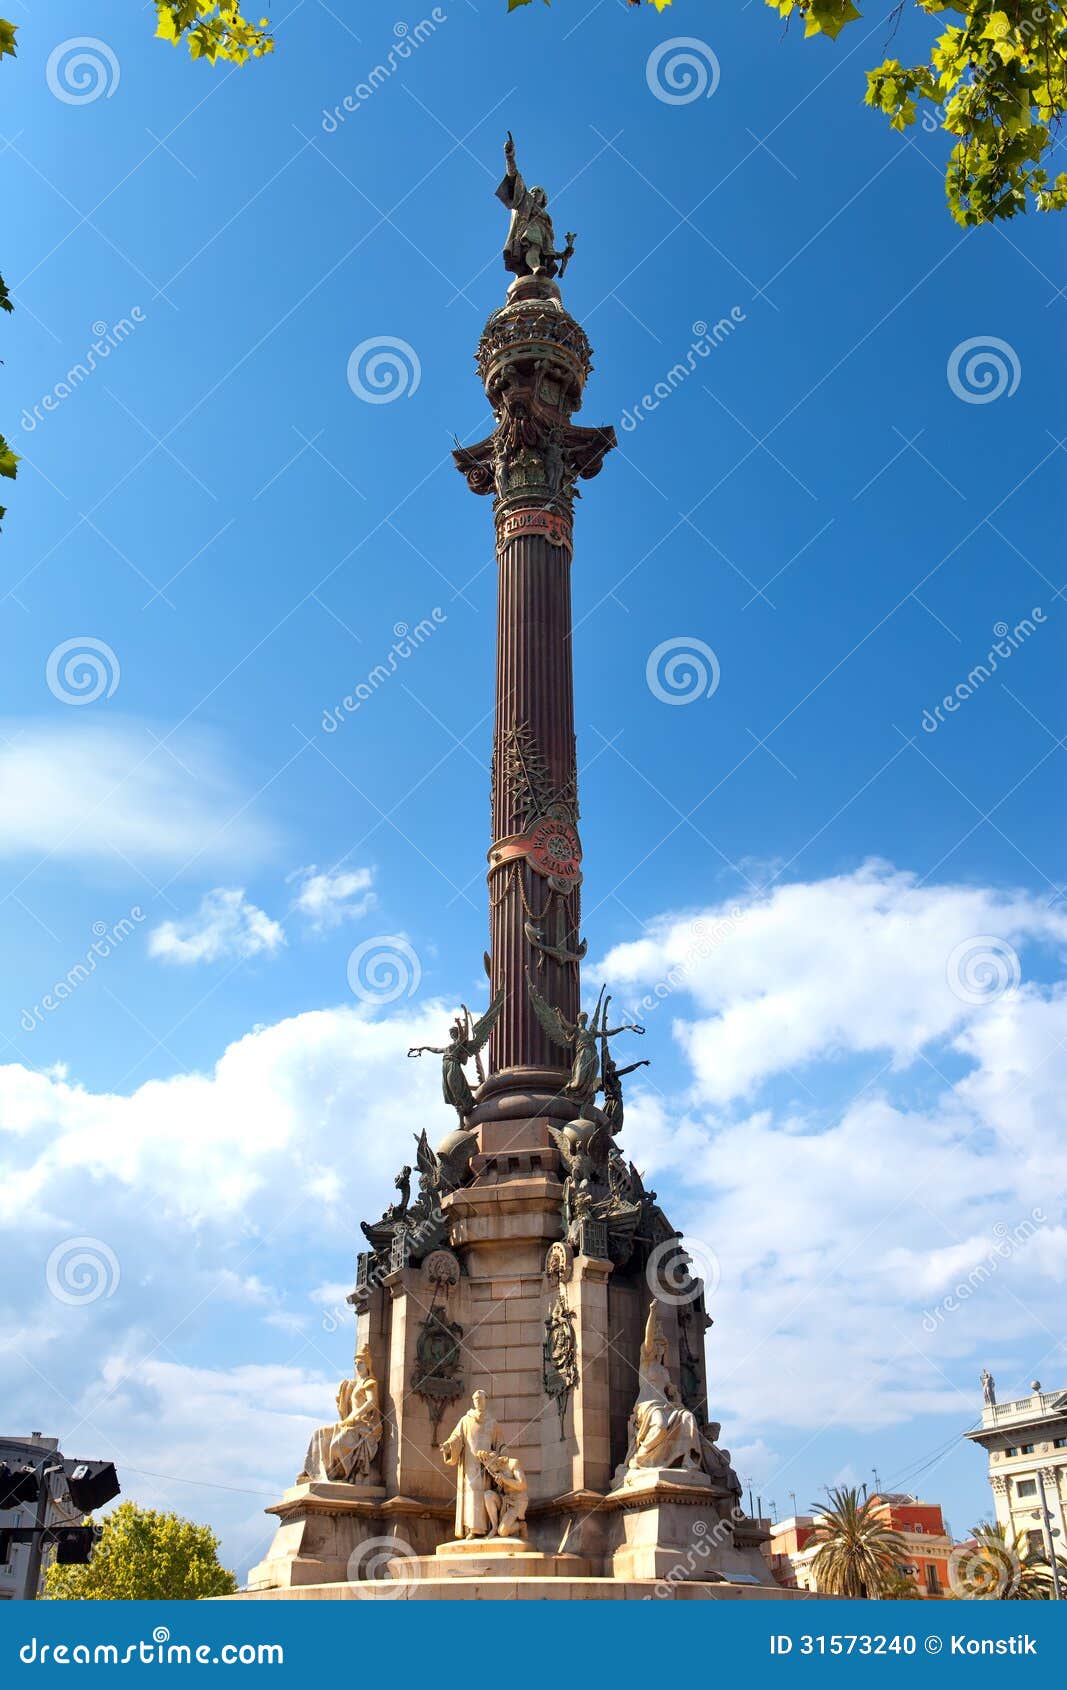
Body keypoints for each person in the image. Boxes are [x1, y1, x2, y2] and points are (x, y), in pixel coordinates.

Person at [440, 1390, 505, 1538]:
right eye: (476, 1399)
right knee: (471, 1494)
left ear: (486, 1400)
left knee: (484, 1493)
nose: (479, 1401)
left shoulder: (492, 1423)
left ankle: (486, 1528)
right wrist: (448, 1446)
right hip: (470, 1464)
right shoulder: (466, 1420)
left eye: (481, 1399)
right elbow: (456, 1437)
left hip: (487, 1466)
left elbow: (501, 1445)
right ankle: (473, 1529)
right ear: (473, 1401)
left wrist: (496, 1456)